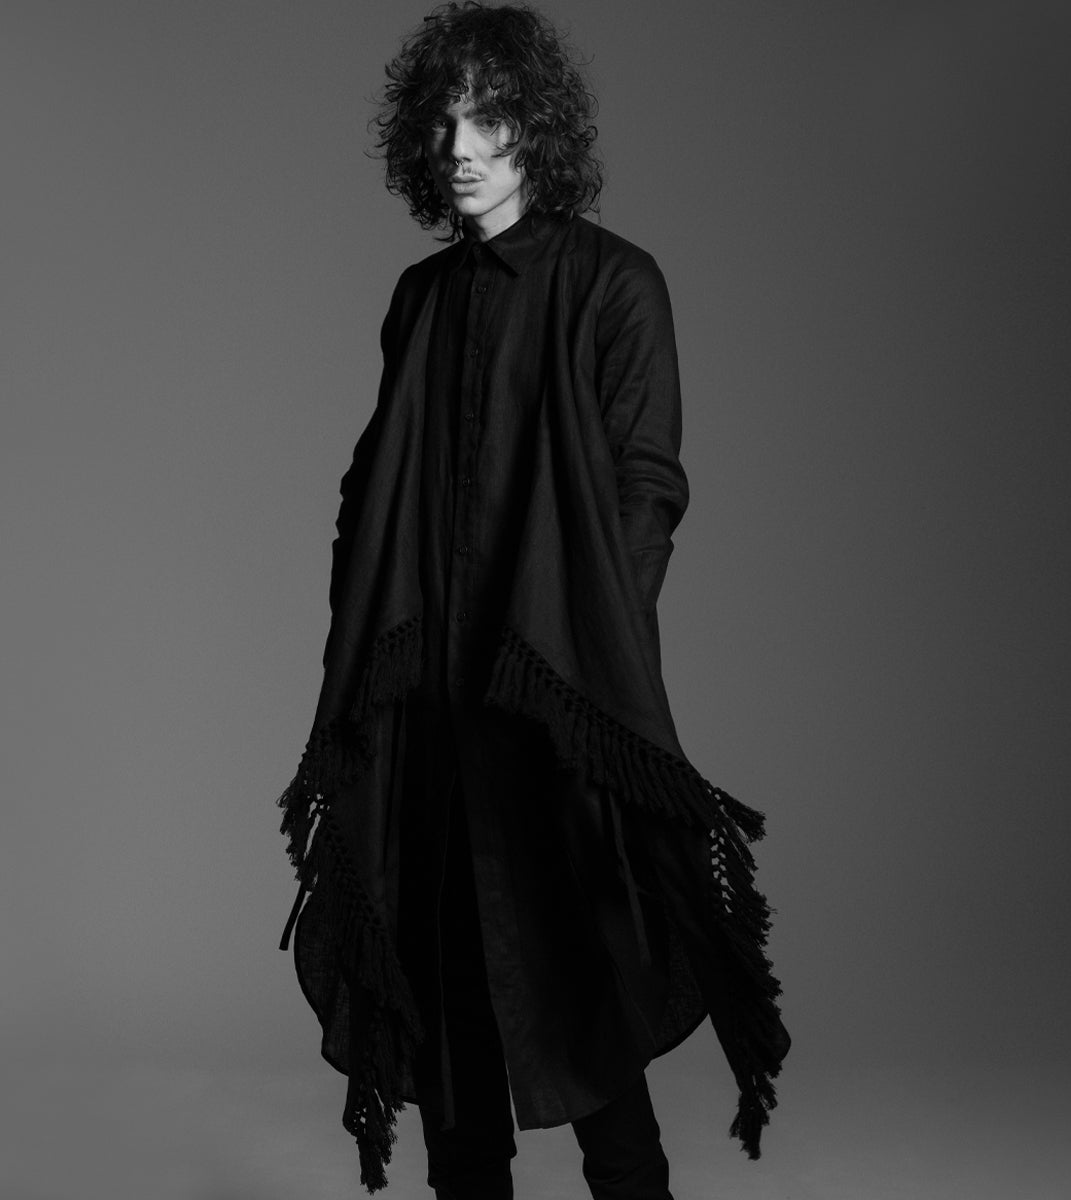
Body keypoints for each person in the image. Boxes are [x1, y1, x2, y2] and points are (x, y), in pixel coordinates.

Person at [277, 3, 790, 1196]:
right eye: (444, 119)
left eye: (490, 116)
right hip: (428, 722)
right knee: (449, 1022)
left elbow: (647, 489)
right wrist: (371, 647)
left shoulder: (616, 284)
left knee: (583, 1003)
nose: (463, 144)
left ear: (537, 127)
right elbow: (374, 487)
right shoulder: (421, 297)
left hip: (550, 713)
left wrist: (578, 664)